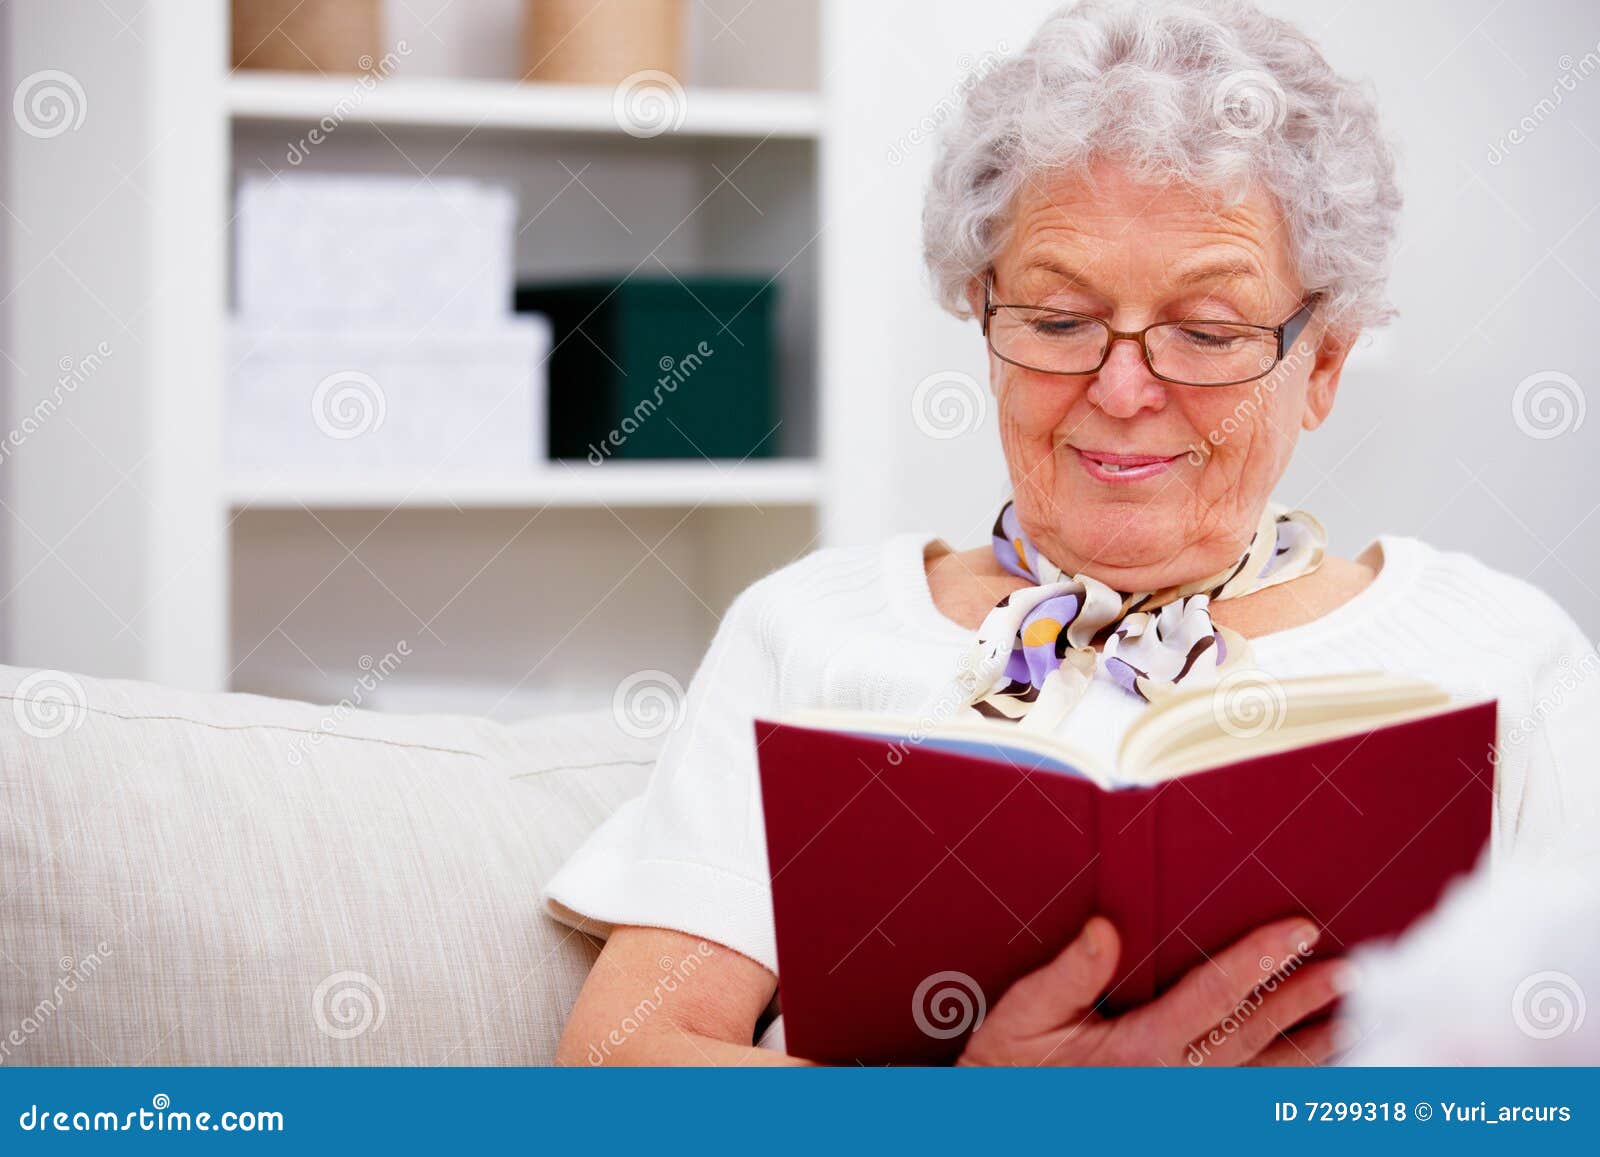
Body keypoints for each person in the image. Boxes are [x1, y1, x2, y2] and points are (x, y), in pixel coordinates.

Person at [545, 0, 1599, 1066]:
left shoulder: (1500, 651)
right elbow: (615, 1068)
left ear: (1320, 361)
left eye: (1206, 330)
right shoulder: (809, 627)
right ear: (983, 317)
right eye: (1057, 322)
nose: (1124, 389)